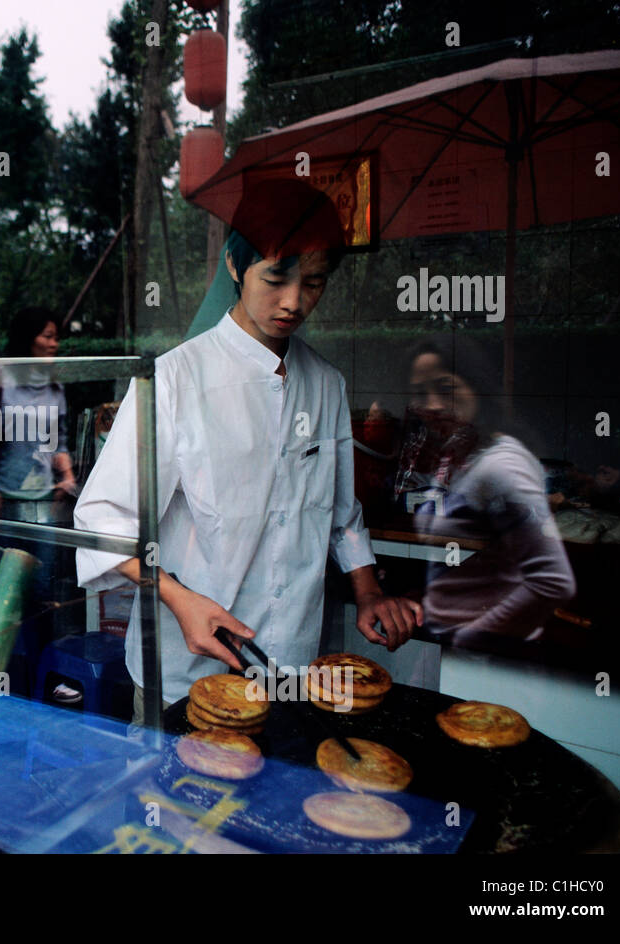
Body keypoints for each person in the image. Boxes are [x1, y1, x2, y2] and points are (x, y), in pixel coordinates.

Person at [74, 178, 422, 722]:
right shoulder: (174, 380)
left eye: (314, 283)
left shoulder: (325, 384)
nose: (293, 302)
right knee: (184, 804)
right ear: (236, 268)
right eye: (276, 278)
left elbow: (338, 512)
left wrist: (370, 591)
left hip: (290, 667)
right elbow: (103, 519)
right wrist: (178, 598)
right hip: (188, 671)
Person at [399, 338, 576, 648]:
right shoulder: (459, 457)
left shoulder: (503, 463)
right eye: (420, 393)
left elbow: (552, 581)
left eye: (446, 389)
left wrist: (469, 636)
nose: (433, 404)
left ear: (476, 387)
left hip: (493, 659)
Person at [0, 307, 77, 521]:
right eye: (48, 336)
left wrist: (67, 477)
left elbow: (57, 442)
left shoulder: (55, 388)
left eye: (56, 338)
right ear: (28, 338)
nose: (54, 344)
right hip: (1, 501)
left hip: (43, 503)